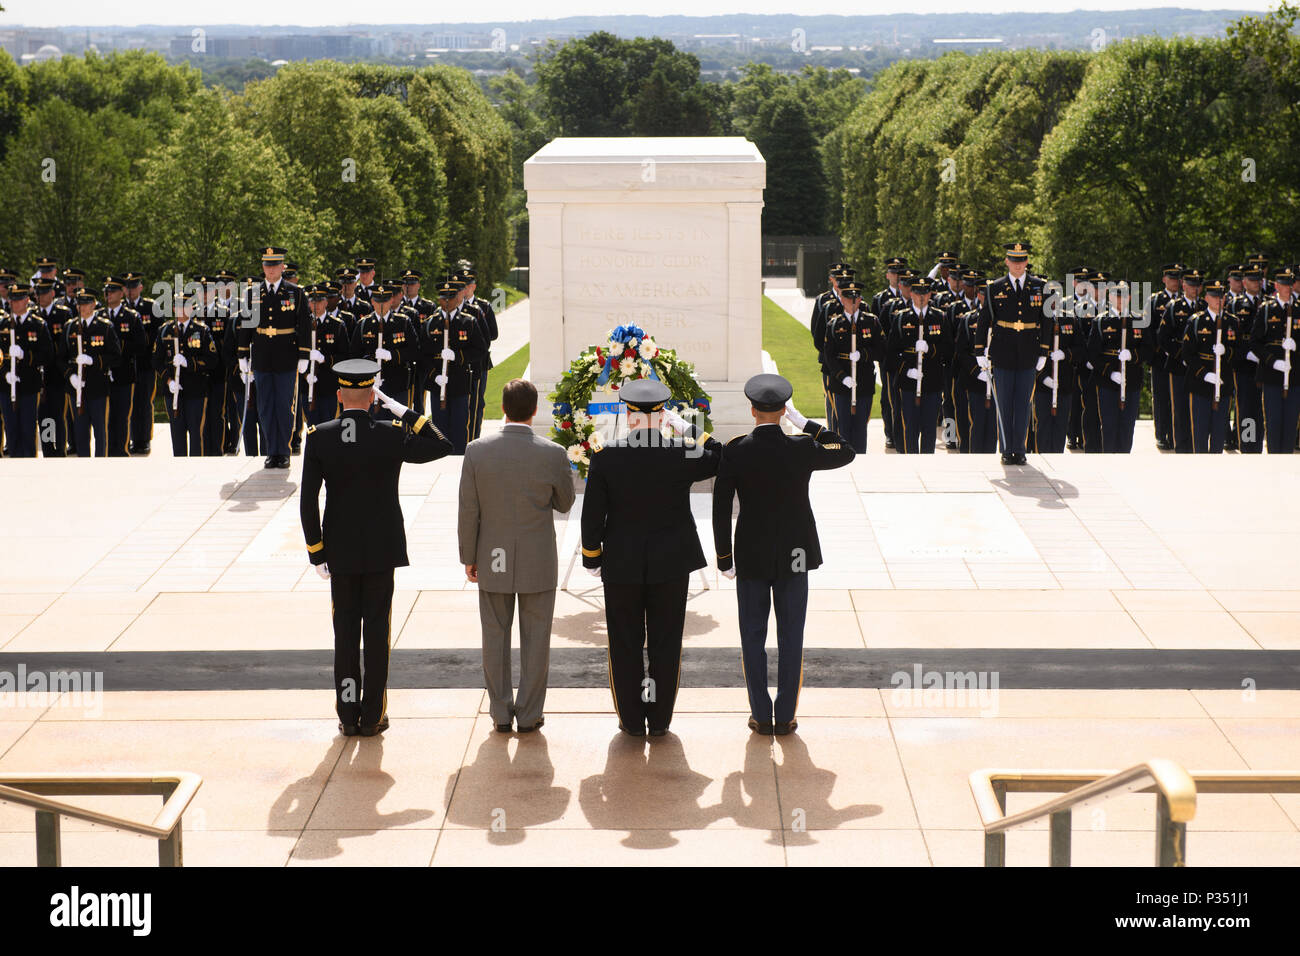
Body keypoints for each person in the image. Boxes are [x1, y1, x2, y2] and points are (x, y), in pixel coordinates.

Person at [300, 358, 454, 737]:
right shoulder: (389, 432)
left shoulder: (319, 435)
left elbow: (308, 501)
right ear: (373, 396)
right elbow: (442, 444)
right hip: (382, 550)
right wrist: (404, 411)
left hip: (340, 552)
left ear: (338, 396)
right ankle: (372, 715)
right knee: (377, 637)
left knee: (346, 635)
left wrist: (317, 551)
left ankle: (347, 714)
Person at [712, 374, 855, 736]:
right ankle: (786, 715)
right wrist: (805, 423)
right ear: (782, 411)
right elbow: (846, 451)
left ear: (752, 409)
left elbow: (720, 508)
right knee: (792, 636)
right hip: (795, 554)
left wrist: (725, 557)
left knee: (752, 636)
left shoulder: (736, 449)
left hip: (751, 555)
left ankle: (761, 715)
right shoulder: (802, 447)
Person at [581, 379, 721, 738]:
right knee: (666, 641)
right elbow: (720, 456)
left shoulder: (606, 455)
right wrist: (689, 428)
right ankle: (659, 720)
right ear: (662, 416)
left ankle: (630, 719)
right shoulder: (681, 453)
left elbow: (592, 514)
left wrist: (592, 557)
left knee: (624, 642)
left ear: (628, 415)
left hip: (623, 563)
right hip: (671, 563)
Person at [458, 379, 576, 733]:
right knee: (536, 637)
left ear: (504, 408)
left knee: (494, 633)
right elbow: (565, 503)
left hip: (492, 554)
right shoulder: (552, 452)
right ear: (535, 410)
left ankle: (499, 712)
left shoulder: (477, 450)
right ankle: (528, 714)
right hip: (537, 557)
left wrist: (469, 555)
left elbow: (469, 510)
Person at [977, 241, 1050, 465]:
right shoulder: (994, 288)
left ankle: (1020, 448)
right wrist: (980, 350)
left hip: (1029, 351)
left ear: (1027, 262)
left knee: (1023, 404)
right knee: (1005, 403)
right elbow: (984, 321)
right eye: (1014, 260)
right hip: (1003, 352)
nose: (1018, 265)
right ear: (1007, 261)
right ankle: (1007, 449)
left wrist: (1044, 352)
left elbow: (1047, 322)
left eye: (1022, 261)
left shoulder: (1041, 287)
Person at [237, 247, 310, 468]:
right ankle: (271, 451)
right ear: (263, 267)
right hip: (262, 357)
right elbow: (245, 326)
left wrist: (304, 354)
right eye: (267, 266)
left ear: (282, 267)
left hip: (286, 356)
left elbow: (304, 325)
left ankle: (284, 451)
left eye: (275, 265)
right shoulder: (252, 294)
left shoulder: (295, 292)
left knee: (284, 406)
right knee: (265, 406)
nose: (270, 270)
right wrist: (242, 355)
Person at [889, 276, 953, 454]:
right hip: (908, 382)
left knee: (929, 428)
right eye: (917, 293)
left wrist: (930, 348)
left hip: (932, 381)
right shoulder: (901, 319)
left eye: (925, 293)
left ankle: (926, 463)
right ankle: (910, 462)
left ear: (930, 294)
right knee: (909, 426)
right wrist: (907, 370)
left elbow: (948, 350)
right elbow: (891, 354)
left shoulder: (939, 317)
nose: (921, 297)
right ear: (911, 293)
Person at [821, 278, 883, 453]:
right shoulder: (834, 324)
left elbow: (881, 350)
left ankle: (860, 459)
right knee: (843, 429)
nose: (853, 302)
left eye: (856, 298)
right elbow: (829, 356)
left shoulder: (872, 322)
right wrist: (843, 377)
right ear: (842, 300)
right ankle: (844, 460)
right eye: (849, 298)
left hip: (863, 383)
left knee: (861, 429)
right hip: (842, 385)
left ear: (860, 299)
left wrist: (863, 355)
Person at [153, 293, 217, 456]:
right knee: (177, 433)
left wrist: (189, 363)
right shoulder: (164, 330)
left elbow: (212, 360)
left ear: (192, 308)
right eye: (178, 305)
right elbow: (156, 361)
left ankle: (196, 468)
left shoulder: (201, 330)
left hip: (195, 390)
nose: (181, 309)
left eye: (185, 305)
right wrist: (168, 381)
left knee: (196, 433)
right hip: (173, 390)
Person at [64, 287, 123, 458]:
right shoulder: (70, 328)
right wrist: (70, 375)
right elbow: (60, 358)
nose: (82, 307)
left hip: (98, 387)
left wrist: (94, 361)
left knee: (100, 432)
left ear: (94, 304)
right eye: (79, 303)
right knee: (80, 433)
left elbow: (116, 357)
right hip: (77, 389)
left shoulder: (104, 327)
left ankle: (101, 467)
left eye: (86, 303)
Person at [1181, 280, 1236, 454]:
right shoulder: (1196, 321)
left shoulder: (1232, 322)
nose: (1218, 300)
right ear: (1206, 298)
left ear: (1225, 298)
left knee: (1219, 434)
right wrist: (1204, 374)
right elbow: (1187, 354)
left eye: (1221, 296)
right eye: (1214, 296)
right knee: (1200, 432)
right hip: (1200, 384)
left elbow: (1240, 352)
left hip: (1223, 383)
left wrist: (1226, 351)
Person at [1251, 268, 1299, 454]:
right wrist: (1272, 361)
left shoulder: (1298, 309)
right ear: (1276, 286)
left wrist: (1296, 345)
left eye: (1290, 284)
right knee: (1273, 420)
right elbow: (1255, 343)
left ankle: (1286, 458)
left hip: (1294, 375)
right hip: (1271, 375)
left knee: (1290, 422)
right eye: (1283, 284)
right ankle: (1274, 460)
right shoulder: (1266, 309)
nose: (1287, 288)